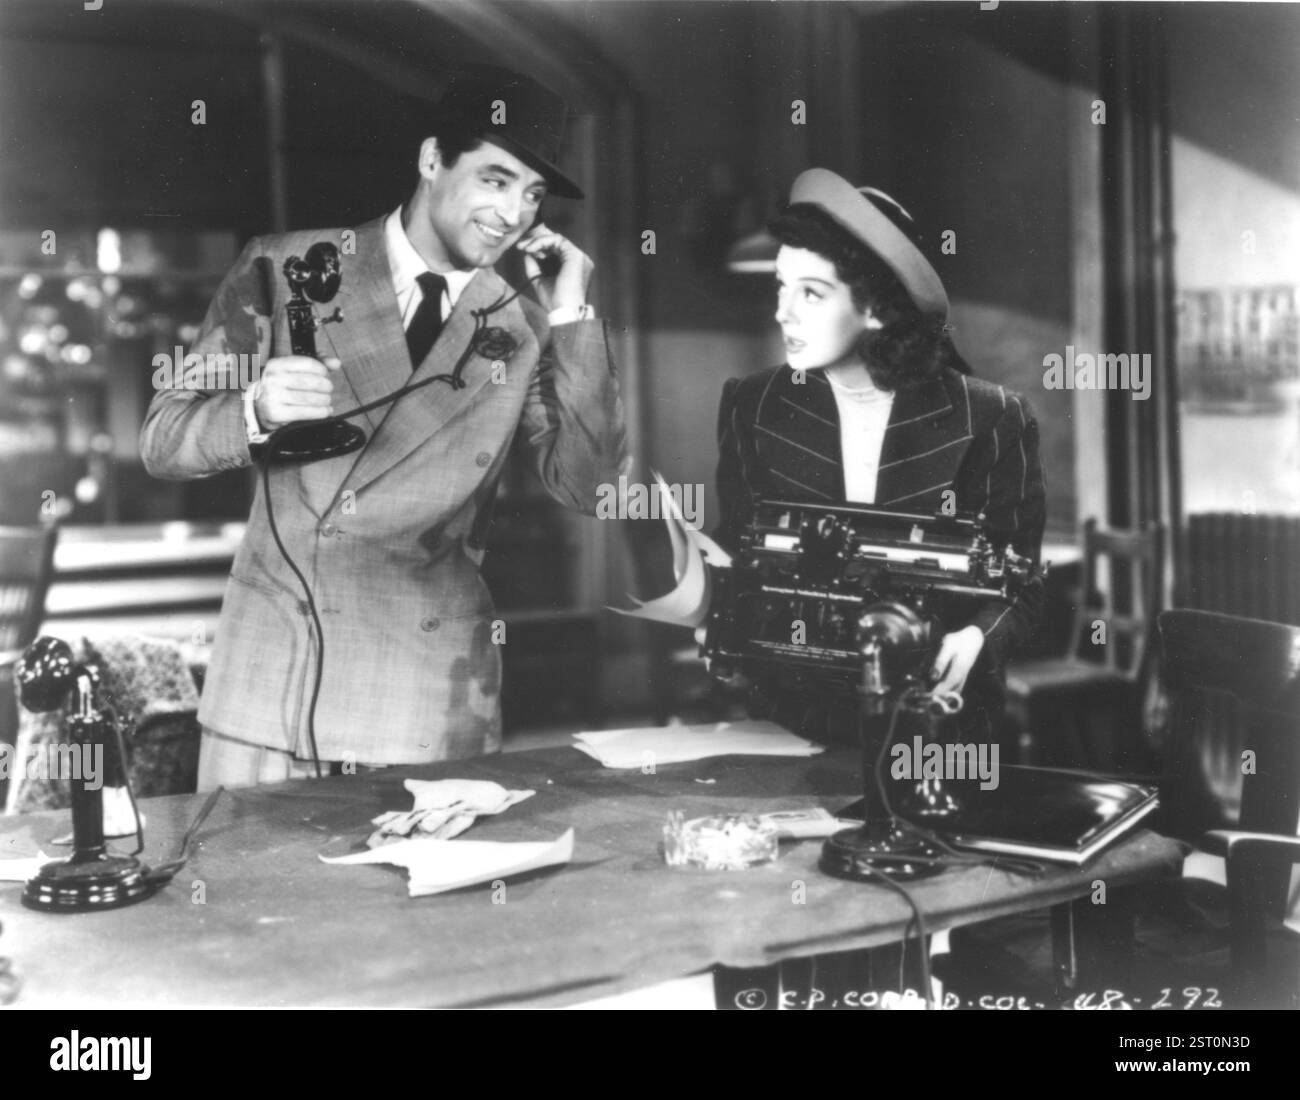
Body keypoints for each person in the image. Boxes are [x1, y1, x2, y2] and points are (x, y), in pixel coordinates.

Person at [140, 65, 628, 789]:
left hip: (424, 695)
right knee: (251, 898)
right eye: (495, 180)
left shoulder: (527, 322)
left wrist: (572, 315)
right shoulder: (284, 268)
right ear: (432, 160)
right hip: (273, 687)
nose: (514, 213)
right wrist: (255, 412)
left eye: (532, 194)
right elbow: (163, 440)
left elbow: (592, 489)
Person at [711, 168, 1045, 748]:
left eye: (811, 292)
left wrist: (973, 641)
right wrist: (716, 615)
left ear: (875, 309)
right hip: (789, 720)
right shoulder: (753, 404)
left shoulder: (990, 417)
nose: (782, 313)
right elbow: (739, 542)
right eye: (780, 288)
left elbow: (1023, 582)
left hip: (938, 725)